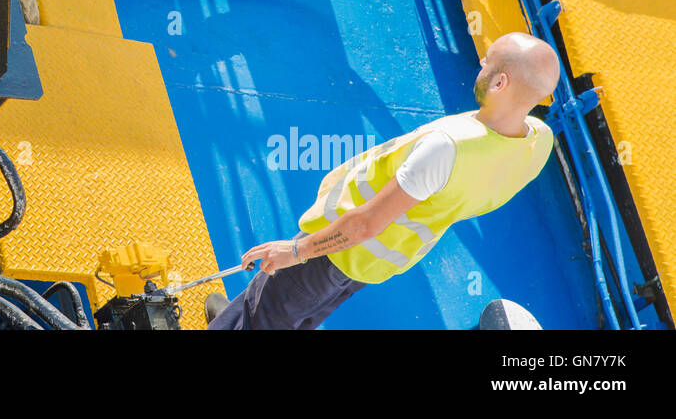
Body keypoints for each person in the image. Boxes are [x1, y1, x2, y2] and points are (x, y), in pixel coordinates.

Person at [207, 31, 561, 330]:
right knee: (299, 313)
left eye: (487, 61)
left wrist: (295, 251)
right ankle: (237, 319)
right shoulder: (539, 139)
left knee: (267, 311)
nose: (480, 64)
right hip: (376, 262)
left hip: (334, 248)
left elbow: (364, 225)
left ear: (501, 82)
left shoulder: (447, 147)